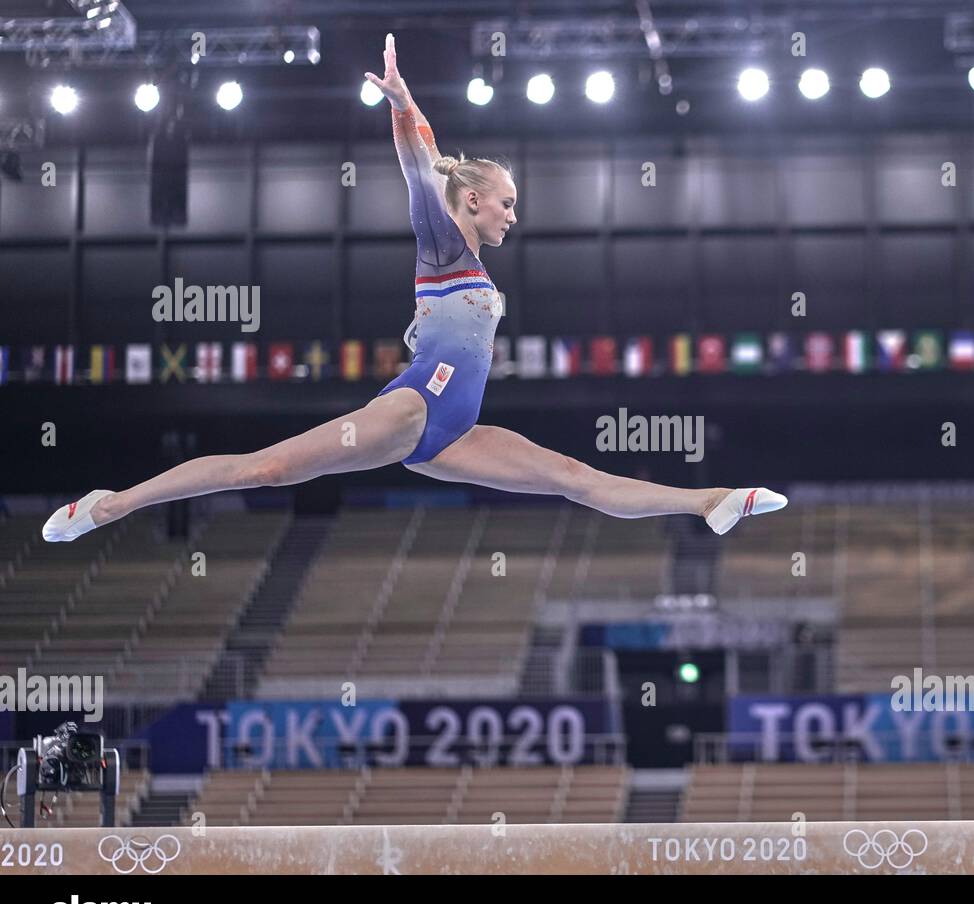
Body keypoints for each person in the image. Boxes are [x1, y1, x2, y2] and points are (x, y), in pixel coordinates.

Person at [42, 34, 786, 544]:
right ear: (472, 201)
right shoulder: (444, 238)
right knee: (264, 469)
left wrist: (410, 112)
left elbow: (432, 163)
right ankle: (109, 505)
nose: (513, 216)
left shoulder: (468, 256)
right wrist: (401, 102)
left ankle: (710, 502)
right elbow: (419, 162)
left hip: (454, 434)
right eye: (507, 202)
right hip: (411, 410)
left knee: (573, 477)